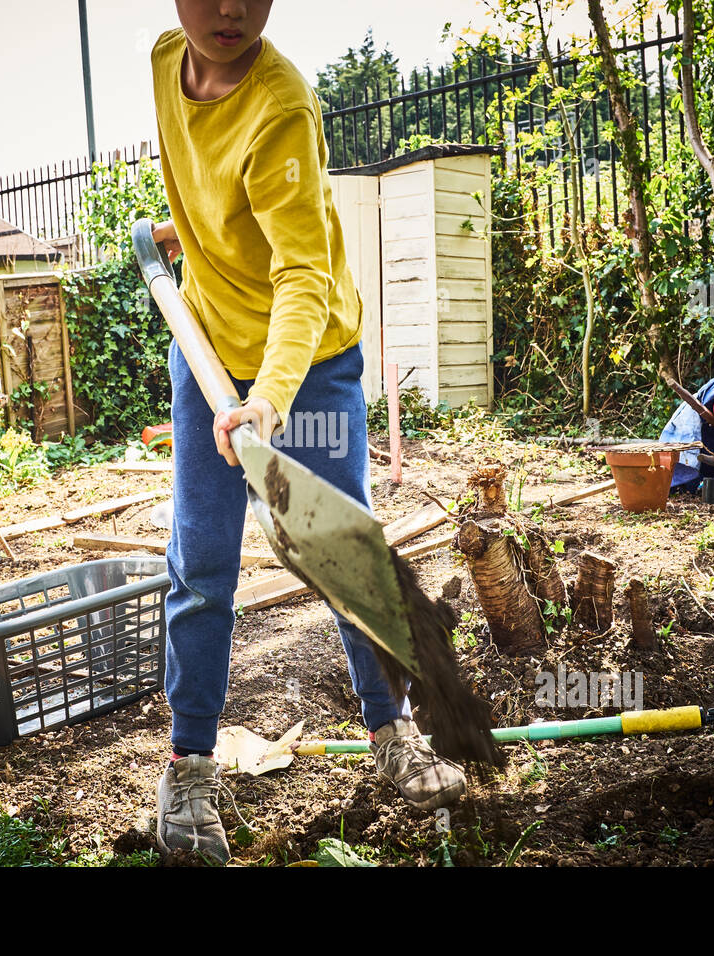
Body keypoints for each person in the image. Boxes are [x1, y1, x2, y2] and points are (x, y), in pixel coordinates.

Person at [149, 0, 466, 864]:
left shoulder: (283, 104)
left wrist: (268, 399)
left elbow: (300, 276)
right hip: (207, 346)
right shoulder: (162, 62)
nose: (230, 10)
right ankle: (188, 763)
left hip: (310, 355)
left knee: (339, 548)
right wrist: (191, 245)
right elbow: (214, 204)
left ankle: (392, 729)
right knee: (202, 563)